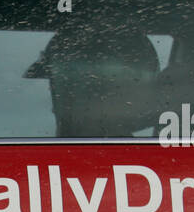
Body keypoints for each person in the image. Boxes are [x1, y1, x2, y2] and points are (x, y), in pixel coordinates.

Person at [24, 26, 161, 137]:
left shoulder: (29, 156)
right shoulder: (162, 161)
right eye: (63, 88)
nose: (58, 103)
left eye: (72, 88)